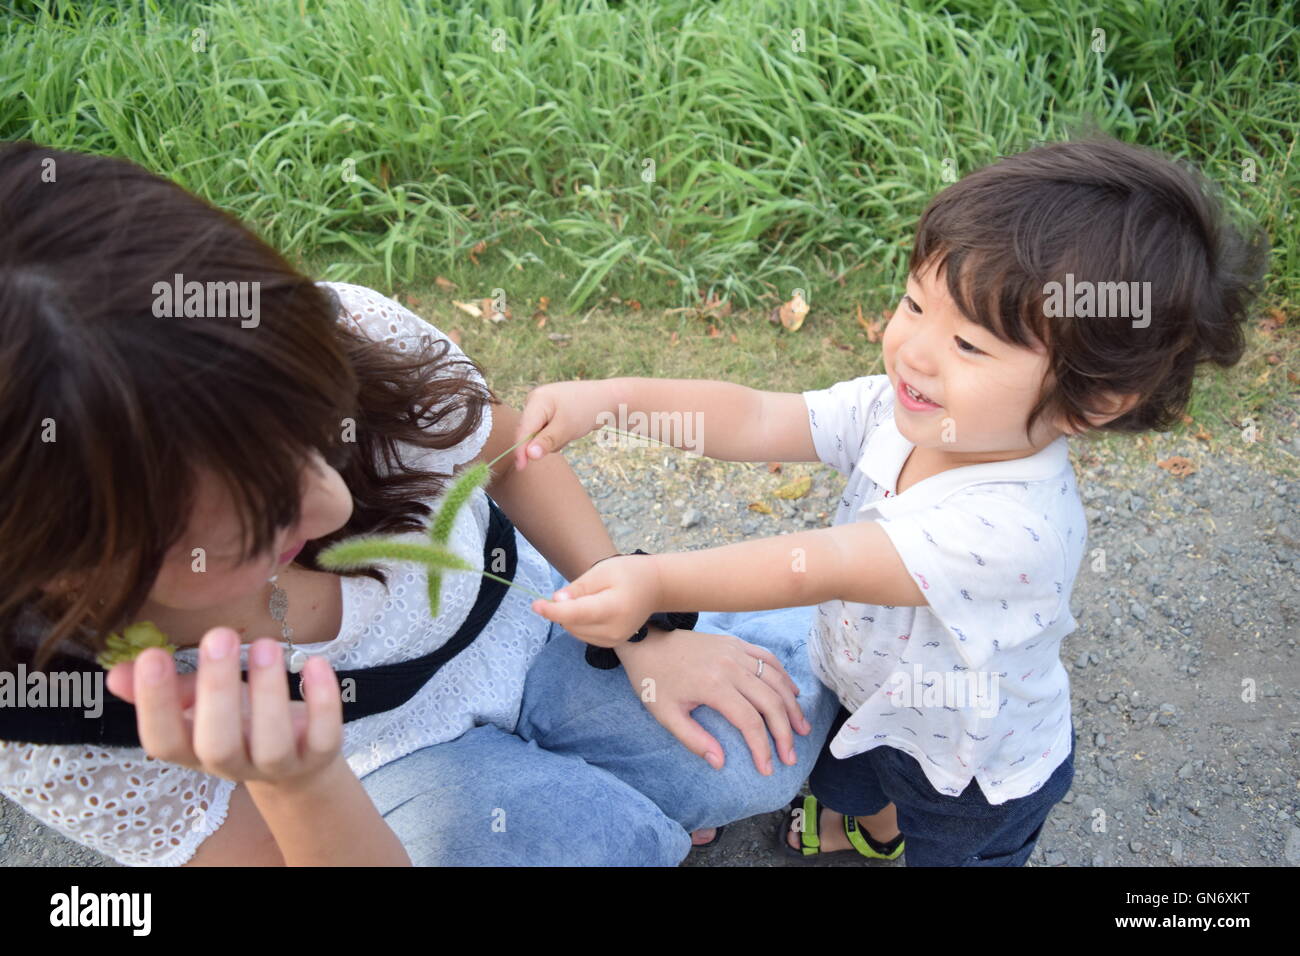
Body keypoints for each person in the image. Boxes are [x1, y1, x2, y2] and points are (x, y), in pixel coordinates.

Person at [0, 142, 840, 866]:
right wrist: (299, 779)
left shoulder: (334, 334)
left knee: (759, 747)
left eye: (311, 434)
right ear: (74, 572)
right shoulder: (57, 709)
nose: (330, 504)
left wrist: (641, 630)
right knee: (585, 839)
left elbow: (509, 459)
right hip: (389, 767)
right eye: (261, 524)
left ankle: (622, 800)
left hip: (530, 626)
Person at [514, 136, 1268, 864]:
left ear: (1095, 398)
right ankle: (870, 829)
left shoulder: (1011, 528)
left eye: (969, 345)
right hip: (863, 686)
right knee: (852, 774)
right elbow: (756, 416)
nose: (912, 348)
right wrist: (615, 401)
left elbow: (827, 565)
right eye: (914, 304)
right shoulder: (902, 409)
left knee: (953, 844)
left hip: (968, 762)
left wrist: (658, 582)